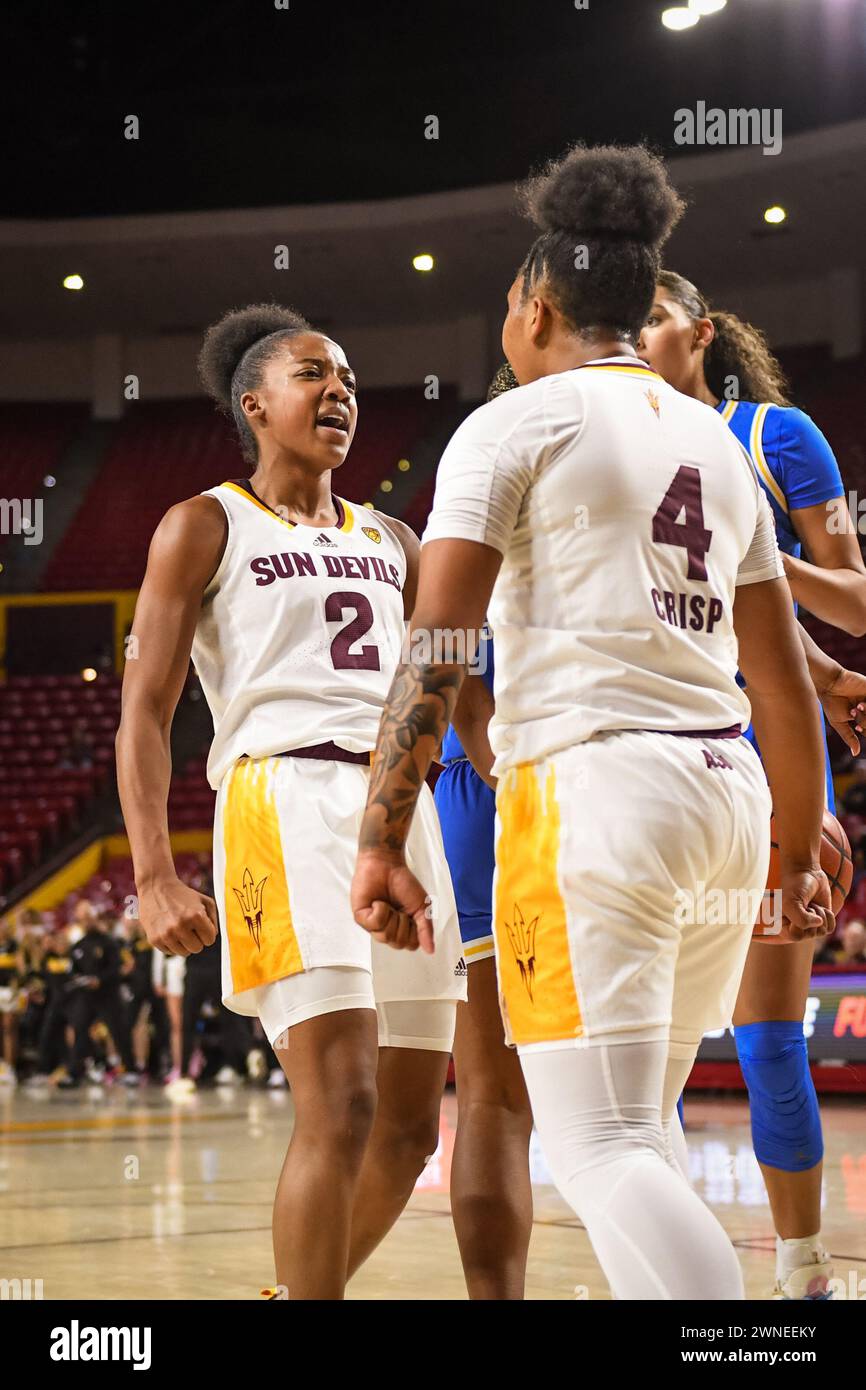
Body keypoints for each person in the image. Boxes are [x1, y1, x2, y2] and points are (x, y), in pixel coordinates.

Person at [351, 142, 835, 1302]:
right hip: (723, 790)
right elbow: (782, 685)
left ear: (537, 306)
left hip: (592, 796)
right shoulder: (718, 445)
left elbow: (437, 647)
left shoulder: (511, 425)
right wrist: (792, 840)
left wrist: (379, 832)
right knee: (644, 1129)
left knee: (593, 1141)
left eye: (506, 305)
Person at [116, 303, 465, 1299]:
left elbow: (454, 686)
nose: (340, 392)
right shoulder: (204, 523)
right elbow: (144, 712)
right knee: (341, 1105)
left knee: (408, 1127)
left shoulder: (394, 537)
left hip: (400, 812)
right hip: (284, 797)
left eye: (348, 378)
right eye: (314, 375)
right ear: (254, 403)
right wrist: (152, 872)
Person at [639, 271, 866, 1298]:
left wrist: (763, 560)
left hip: (760, 758)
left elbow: (853, 599)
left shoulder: (772, 435)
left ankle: (804, 1273)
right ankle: (672, 1275)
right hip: (636, 764)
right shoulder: (598, 443)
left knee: (768, 1036)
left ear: (702, 332)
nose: (632, 332)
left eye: (651, 311)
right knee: (645, 1058)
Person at [58, 907, 138, 1088]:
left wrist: (100, 980)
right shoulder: (78, 946)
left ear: (95, 918)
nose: (87, 921)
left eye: (89, 917)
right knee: (79, 1030)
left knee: (119, 1032)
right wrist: (79, 980)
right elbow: (72, 970)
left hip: (108, 995)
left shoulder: (109, 942)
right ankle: (74, 1072)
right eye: (82, 918)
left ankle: (131, 1070)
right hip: (86, 996)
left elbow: (117, 968)